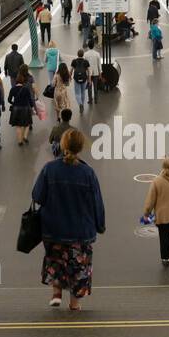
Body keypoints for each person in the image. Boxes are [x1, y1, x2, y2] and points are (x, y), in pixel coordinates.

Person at [32, 129, 105, 311]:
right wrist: (100, 225)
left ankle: (56, 293)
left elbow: (37, 196)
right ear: (80, 148)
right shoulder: (88, 173)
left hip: (53, 229)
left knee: (56, 260)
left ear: (63, 145)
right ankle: (74, 303)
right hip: (80, 232)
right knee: (78, 267)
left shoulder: (49, 169)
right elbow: (97, 203)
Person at [8, 67, 36, 146]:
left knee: (18, 126)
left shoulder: (13, 89)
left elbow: (9, 100)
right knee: (27, 124)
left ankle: (20, 141)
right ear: (23, 81)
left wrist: (13, 103)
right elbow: (30, 99)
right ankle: (25, 136)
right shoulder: (26, 89)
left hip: (16, 109)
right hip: (25, 108)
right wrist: (32, 106)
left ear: (16, 80)